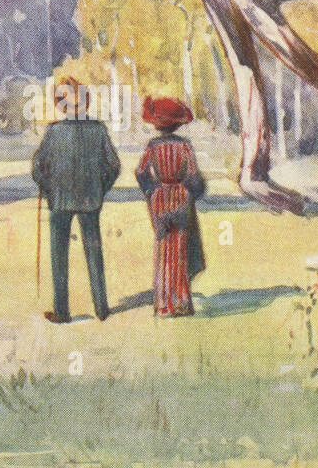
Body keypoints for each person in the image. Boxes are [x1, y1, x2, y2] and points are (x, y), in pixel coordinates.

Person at [31, 78, 121, 324]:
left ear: (60, 105)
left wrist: (49, 188)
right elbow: (113, 166)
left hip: (60, 199)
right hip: (90, 198)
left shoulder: (53, 131)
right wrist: (100, 189)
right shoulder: (98, 129)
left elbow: (38, 168)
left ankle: (62, 311)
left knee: (59, 256)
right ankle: (101, 307)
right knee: (94, 252)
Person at [135, 96, 206, 318]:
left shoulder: (152, 147)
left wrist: (152, 191)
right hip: (181, 197)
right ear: (177, 124)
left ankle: (163, 303)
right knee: (180, 250)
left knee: (163, 248)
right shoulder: (184, 146)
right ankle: (182, 302)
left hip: (160, 198)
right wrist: (191, 193)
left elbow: (141, 172)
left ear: (157, 125)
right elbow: (194, 175)